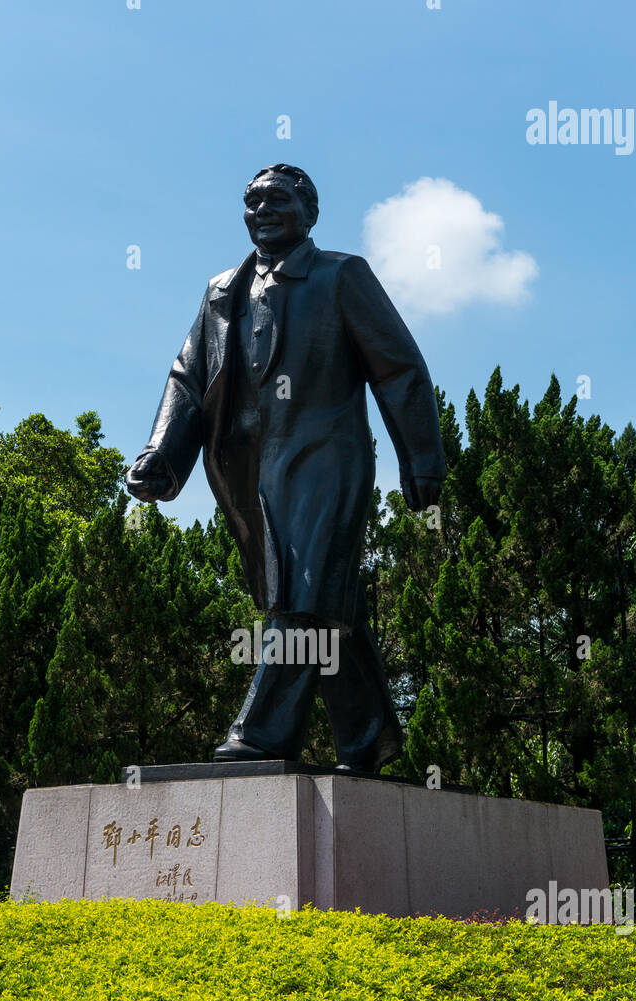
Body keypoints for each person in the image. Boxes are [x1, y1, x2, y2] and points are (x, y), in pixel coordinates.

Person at [126, 164, 445, 772]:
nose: (261, 210)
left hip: (326, 457)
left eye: (276, 199)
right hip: (249, 473)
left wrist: (422, 459)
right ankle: (367, 732)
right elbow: (188, 378)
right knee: (322, 603)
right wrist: (162, 456)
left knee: (299, 600)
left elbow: (399, 367)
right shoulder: (223, 290)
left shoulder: (340, 276)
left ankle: (261, 733)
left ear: (310, 211)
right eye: (251, 202)